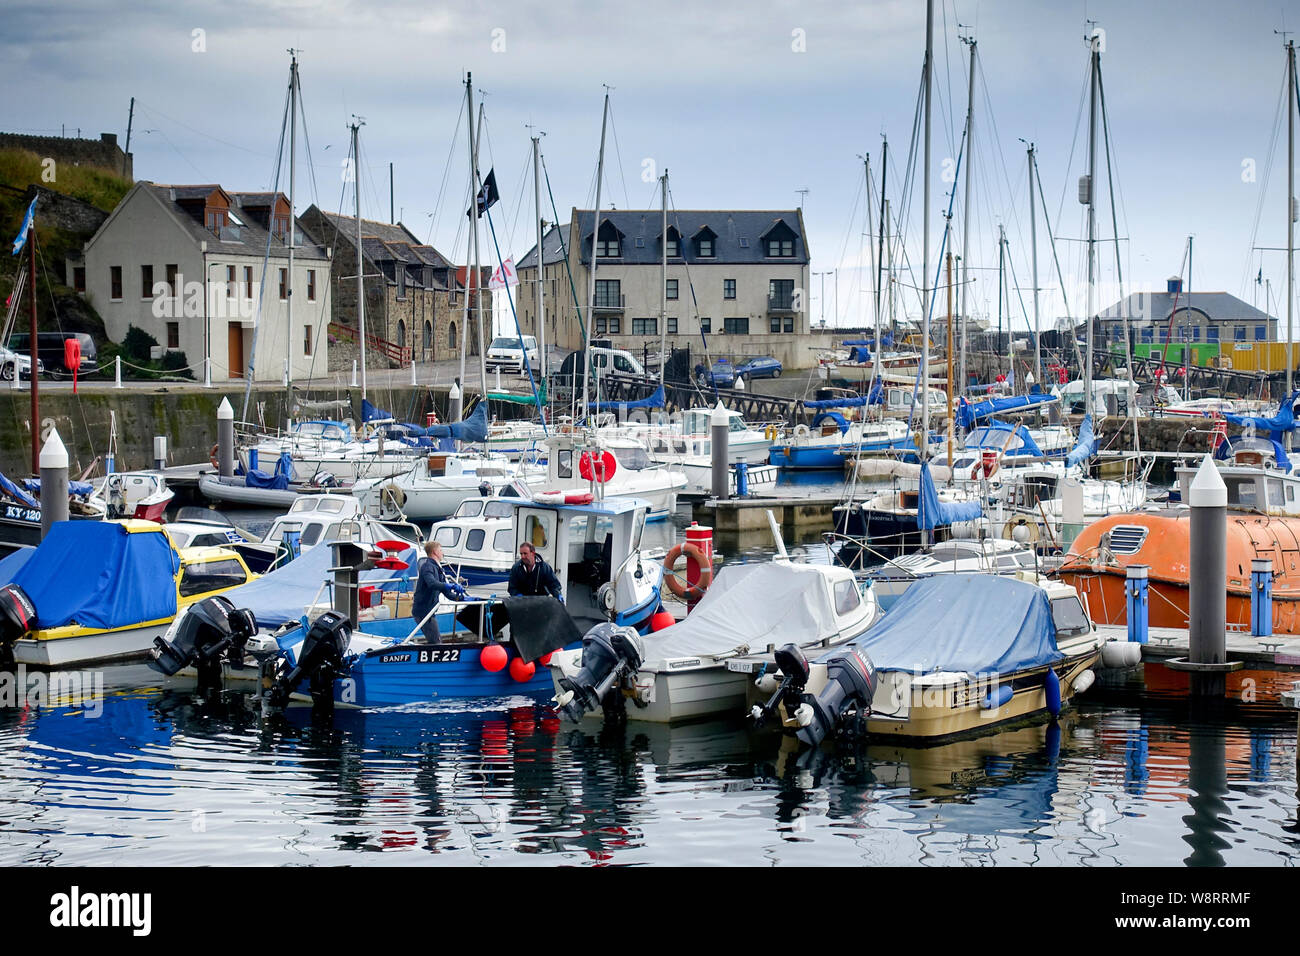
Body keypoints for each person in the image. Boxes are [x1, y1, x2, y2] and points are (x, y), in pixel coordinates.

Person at [411, 540, 468, 641]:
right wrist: (451, 586)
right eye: (441, 550)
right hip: (423, 611)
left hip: (430, 611)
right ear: (435, 552)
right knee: (436, 641)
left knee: (435, 640)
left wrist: (465, 599)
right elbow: (432, 584)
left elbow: (447, 594)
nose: (443, 553)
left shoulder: (438, 569)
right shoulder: (427, 567)